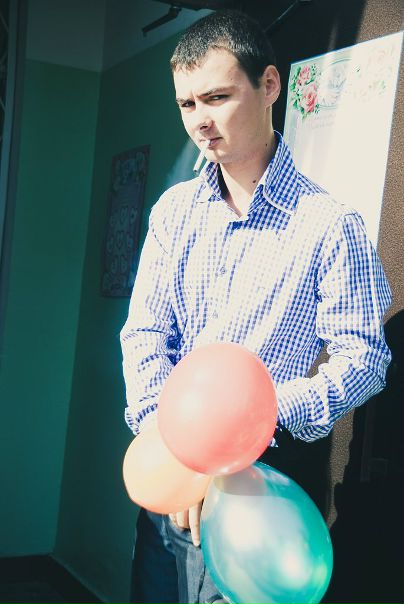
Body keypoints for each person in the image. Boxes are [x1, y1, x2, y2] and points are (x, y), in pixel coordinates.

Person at [120, 10, 391, 604]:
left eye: (217, 97)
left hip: (260, 502)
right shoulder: (173, 213)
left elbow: (364, 358)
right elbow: (145, 333)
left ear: (269, 85)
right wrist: (177, 448)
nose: (200, 120)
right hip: (169, 496)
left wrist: (254, 419)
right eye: (187, 103)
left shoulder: (330, 225)